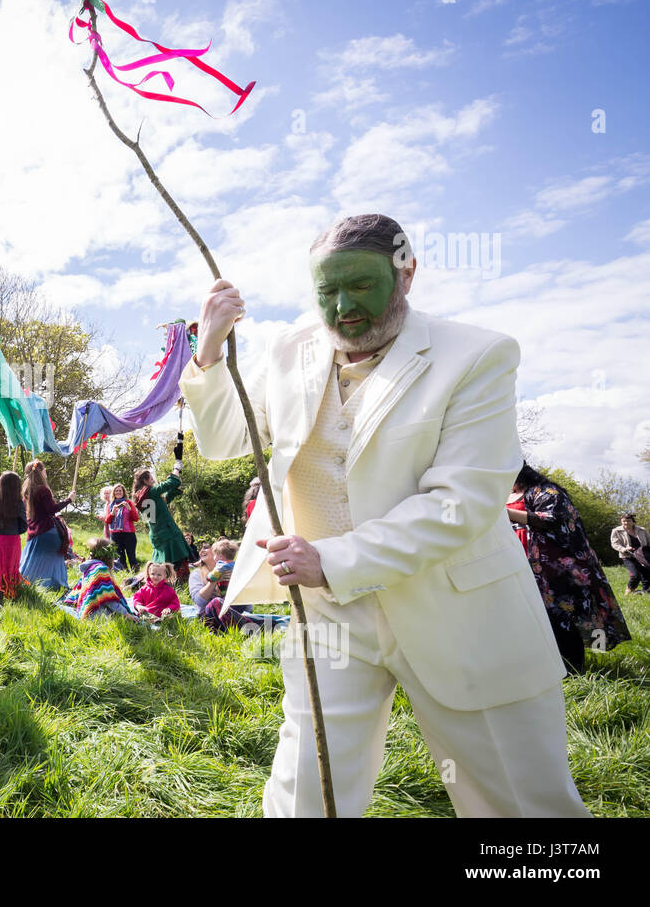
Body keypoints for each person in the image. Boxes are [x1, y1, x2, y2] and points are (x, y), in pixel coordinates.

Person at [181, 211, 589, 817]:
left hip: (457, 605)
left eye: (361, 285)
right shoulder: (291, 348)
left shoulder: (479, 356)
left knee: (518, 799)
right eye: (327, 290)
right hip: (327, 613)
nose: (342, 306)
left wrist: (333, 559)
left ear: (407, 272)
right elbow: (223, 438)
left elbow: (461, 504)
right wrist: (211, 351)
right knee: (307, 790)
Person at [508, 464, 630, 673]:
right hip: (520, 563)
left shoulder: (546, 491)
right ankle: (541, 668)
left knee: (562, 617)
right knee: (532, 616)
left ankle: (572, 670)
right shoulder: (505, 493)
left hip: (555, 568)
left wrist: (504, 513)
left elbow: (552, 520)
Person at [19, 460, 74, 591]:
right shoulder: (43, 490)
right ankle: (56, 585)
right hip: (47, 530)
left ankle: (27, 584)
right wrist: (69, 500)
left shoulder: (27, 490)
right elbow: (51, 510)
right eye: (45, 470)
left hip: (33, 530)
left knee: (31, 559)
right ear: (41, 471)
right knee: (55, 560)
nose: (46, 472)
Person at [133, 458, 191, 584]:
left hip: (157, 533)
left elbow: (162, 504)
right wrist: (177, 468)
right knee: (176, 560)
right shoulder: (151, 491)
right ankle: (175, 583)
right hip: (167, 532)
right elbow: (171, 483)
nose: (153, 480)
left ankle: (159, 582)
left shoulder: (142, 496)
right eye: (151, 478)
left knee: (161, 563)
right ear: (145, 481)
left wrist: (171, 492)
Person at [60, 537, 137, 620]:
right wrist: (126, 614)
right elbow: (109, 600)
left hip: (85, 611)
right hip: (95, 615)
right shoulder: (101, 570)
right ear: (108, 556)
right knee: (123, 615)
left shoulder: (91, 567)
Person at [0, 471, 27, 603]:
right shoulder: (18, 502)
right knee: (11, 567)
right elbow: (24, 525)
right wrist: (15, 530)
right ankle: (12, 593)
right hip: (12, 539)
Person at [102, 483, 140, 572]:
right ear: (114, 493)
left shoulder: (129, 503)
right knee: (119, 556)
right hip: (115, 534)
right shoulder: (110, 505)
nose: (118, 492)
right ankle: (124, 573)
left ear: (123, 492)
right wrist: (112, 514)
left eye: (120, 491)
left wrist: (129, 509)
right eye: (116, 491)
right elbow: (107, 521)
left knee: (131, 555)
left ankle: (135, 574)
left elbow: (136, 518)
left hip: (129, 533)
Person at [611, 513, 650, 595]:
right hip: (627, 556)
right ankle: (628, 594)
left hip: (642, 555)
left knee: (647, 575)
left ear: (633, 521)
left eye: (628, 521)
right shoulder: (616, 531)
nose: (626, 523)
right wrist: (624, 549)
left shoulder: (642, 530)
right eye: (623, 521)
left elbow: (649, 541)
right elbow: (615, 544)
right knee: (635, 575)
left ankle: (645, 592)